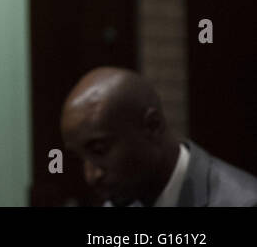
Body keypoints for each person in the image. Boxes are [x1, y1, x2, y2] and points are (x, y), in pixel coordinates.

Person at [60, 66, 257, 206]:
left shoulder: (243, 201)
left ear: (152, 126)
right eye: (81, 158)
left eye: (99, 150)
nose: (91, 176)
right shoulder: (120, 199)